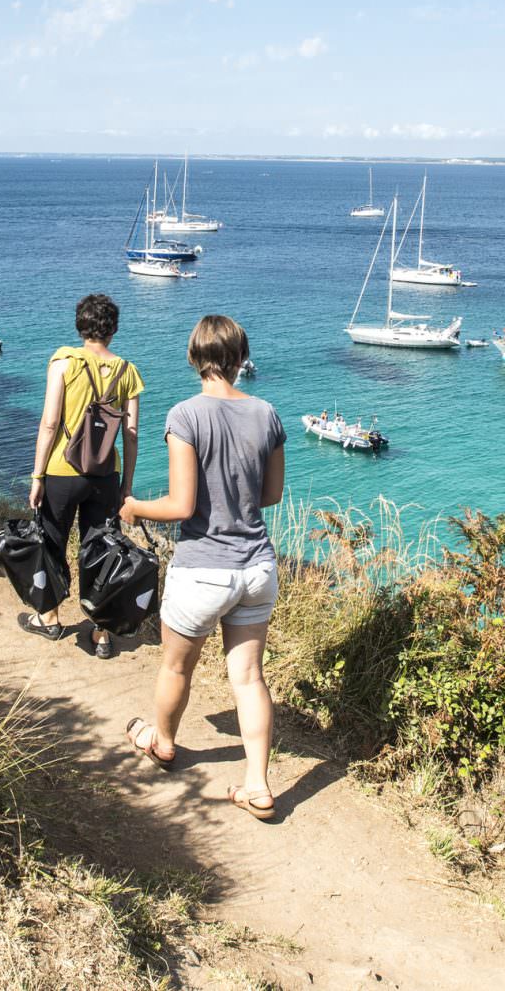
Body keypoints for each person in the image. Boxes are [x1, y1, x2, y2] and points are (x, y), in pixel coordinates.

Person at [121, 315, 287, 821]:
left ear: (194, 358)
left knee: (176, 666)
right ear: (241, 358)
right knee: (249, 678)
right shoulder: (267, 413)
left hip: (203, 569)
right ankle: (258, 786)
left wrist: (134, 506)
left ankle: (162, 742)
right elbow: (271, 495)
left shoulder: (185, 415)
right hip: (257, 567)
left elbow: (180, 505)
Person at [22, 294, 144, 659]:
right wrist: (126, 485)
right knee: (103, 549)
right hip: (105, 474)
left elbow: (49, 423)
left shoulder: (64, 363)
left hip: (62, 470)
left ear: (80, 326)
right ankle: (101, 633)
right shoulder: (128, 371)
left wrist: (37, 475)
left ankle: (49, 617)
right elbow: (131, 435)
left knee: (52, 540)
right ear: (113, 330)